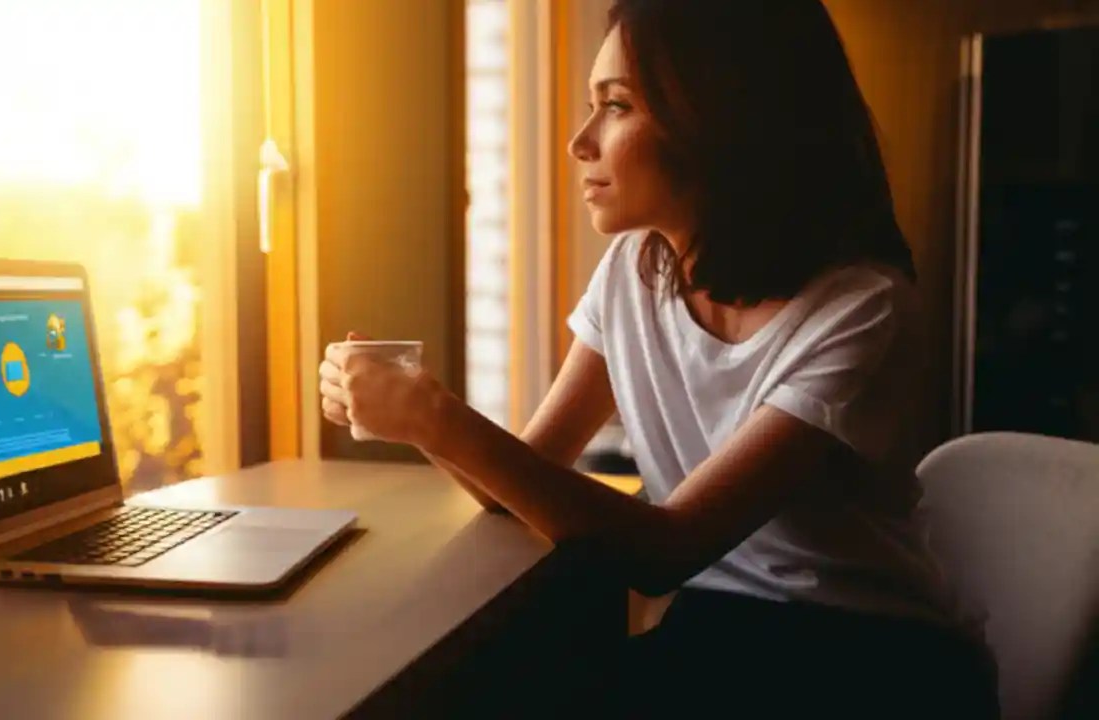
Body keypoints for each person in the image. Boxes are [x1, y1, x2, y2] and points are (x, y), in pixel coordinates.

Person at [319, 1, 998, 716]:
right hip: (720, 633)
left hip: (870, 657)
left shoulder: (861, 308)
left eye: (615, 106)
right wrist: (418, 420)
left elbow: (666, 549)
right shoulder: (633, 273)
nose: (581, 142)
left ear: (720, 119)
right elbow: (518, 483)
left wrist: (438, 418)